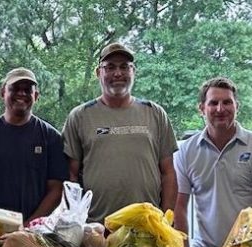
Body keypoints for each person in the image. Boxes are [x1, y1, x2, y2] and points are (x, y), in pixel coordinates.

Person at [62, 42, 178, 222]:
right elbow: (70, 176)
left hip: (148, 228)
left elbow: (168, 173)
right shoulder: (80, 116)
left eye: (124, 67)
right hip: (97, 229)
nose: (118, 73)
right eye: (110, 67)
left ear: (134, 72)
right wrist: (76, 223)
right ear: (98, 73)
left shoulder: (155, 113)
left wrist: (167, 221)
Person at [174, 77, 252, 247]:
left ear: (237, 107)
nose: (220, 109)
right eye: (213, 103)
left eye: (227, 102)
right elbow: (179, 208)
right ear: (202, 108)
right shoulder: (186, 151)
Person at [0, 67, 68, 221]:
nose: (21, 93)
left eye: (27, 90)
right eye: (15, 88)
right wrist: (6, 224)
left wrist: (27, 227)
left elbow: (56, 191)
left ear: (36, 96)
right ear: (2, 92)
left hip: (37, 232)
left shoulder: (52, 138)